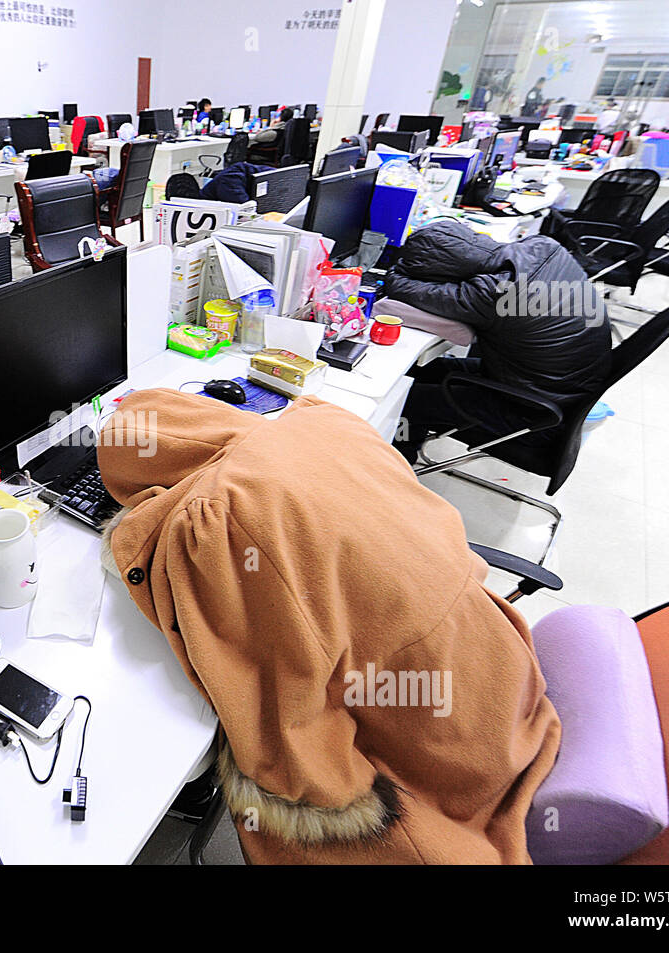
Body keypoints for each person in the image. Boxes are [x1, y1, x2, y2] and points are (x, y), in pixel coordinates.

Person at [96, 387, 561, 864]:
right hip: (497, 660)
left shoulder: (214, 517)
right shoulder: (326, 423)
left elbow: (278, 696)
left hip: (440, 735)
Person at [381, 218, 611, 464]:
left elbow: (401, 288)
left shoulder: (495, 293)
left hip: (532, 410)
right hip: (559, 386)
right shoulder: (545, 245)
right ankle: (407, 445)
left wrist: (396, 269)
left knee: (402, 400)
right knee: (420, 371)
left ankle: (398, 467)